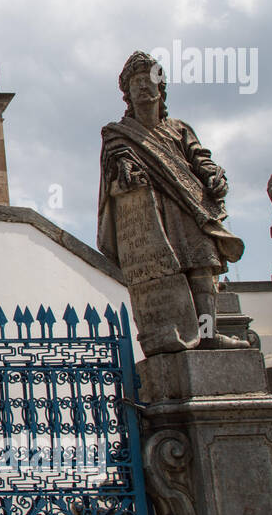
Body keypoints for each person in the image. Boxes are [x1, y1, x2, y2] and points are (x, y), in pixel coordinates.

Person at [98, 51, 249, 354]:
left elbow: (200, 158)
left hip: (189, 205)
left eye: (148, 80)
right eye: (136, 82)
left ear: (160, 88)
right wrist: (126, 173)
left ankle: (209, 334)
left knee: (202, 266)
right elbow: (117, 164)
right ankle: (171, 330)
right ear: (127, 92)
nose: (143, 86)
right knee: (167, 271)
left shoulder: (179, 129)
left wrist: (213, 177)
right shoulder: (118, 135)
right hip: (153, 214)